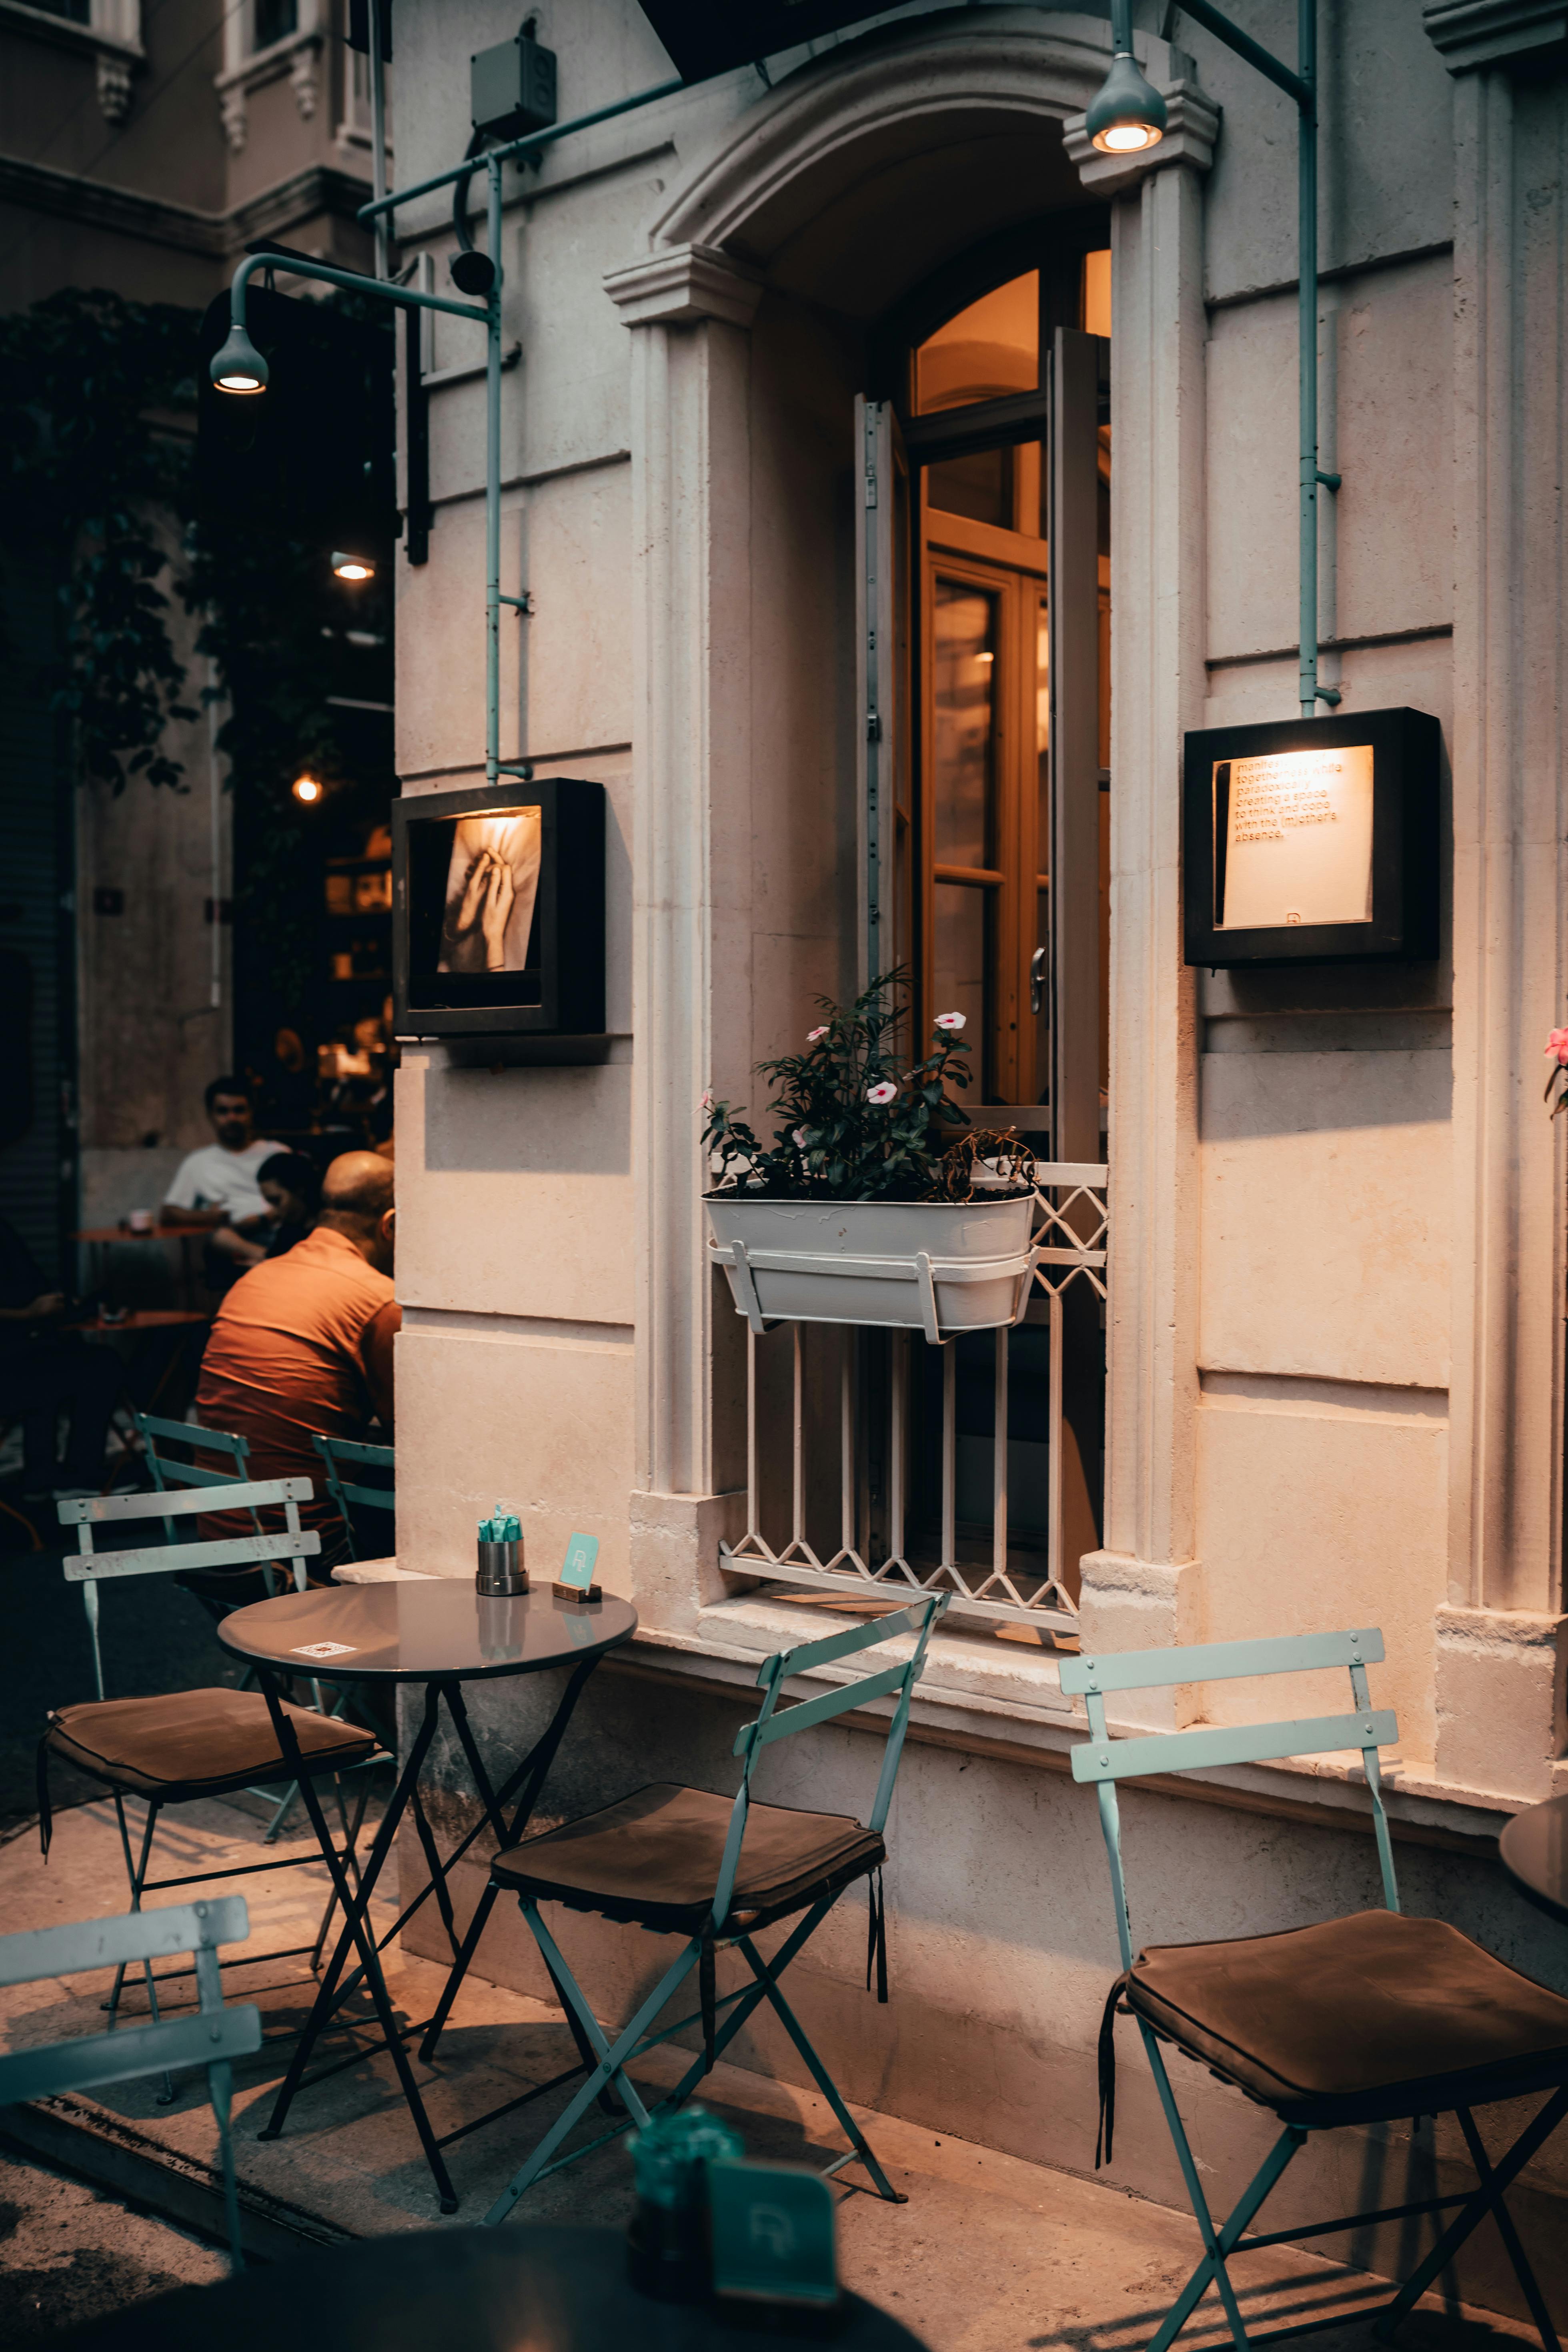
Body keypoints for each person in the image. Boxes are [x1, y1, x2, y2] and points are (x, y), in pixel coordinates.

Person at [194, 1152, 397, 1568]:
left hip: (216, 1545)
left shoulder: (257, 1277)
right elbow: (417, 1436)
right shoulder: (376, 1299)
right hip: (301, 1555)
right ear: (391, 1224)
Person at [0, 1217, 123, 1500]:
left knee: (59, 1358)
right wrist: (29, 1315)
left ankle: (42, 1478)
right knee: (101, 1367)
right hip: (10, 1371)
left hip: (23, 1348)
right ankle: (78, 1477)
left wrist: (58, 1306)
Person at [162, 1078, 282, 1274]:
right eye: (223, 1111)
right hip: (235, 1238)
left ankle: (269, 1258)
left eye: (239, 1110)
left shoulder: (276, 1153)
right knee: (218, 1238)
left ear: (251, 1112)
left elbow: (302, 1199)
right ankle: (267, 1258)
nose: (232, 1118)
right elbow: (169, 1213)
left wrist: (264, 1218)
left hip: (278, 1228)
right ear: (211, 1116)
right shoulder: (198, 1162)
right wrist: (209, 1217)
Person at [256, 1151, 321, 1260]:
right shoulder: (289, 1229)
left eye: (276, 1200)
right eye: (270, 1202)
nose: (274, 1211)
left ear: (299, 1190)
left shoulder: (329, 1229)